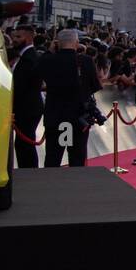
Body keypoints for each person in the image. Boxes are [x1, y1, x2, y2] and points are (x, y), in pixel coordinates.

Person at [36, 29, 100, 168]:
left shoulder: (47, 60)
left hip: (56, 114)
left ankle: (51, 186)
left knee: (53, 157)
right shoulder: (86, 61)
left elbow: (38, 73)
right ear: (77, 43)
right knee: (77, 156)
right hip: (78, 116)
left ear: (57, 43)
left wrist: (49, 51)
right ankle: (75, 186)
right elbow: (94, 86)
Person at [9, 23, 44, 169]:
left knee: (25, 143)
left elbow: (21, 86)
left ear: (29, 38)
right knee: (22, 143)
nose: (14, 40)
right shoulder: (24, 57)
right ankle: (27, 169)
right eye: (14, 36)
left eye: (18, 37)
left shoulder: (29, 58)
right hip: (27, 107)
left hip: (27, 108)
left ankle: (29, 171)